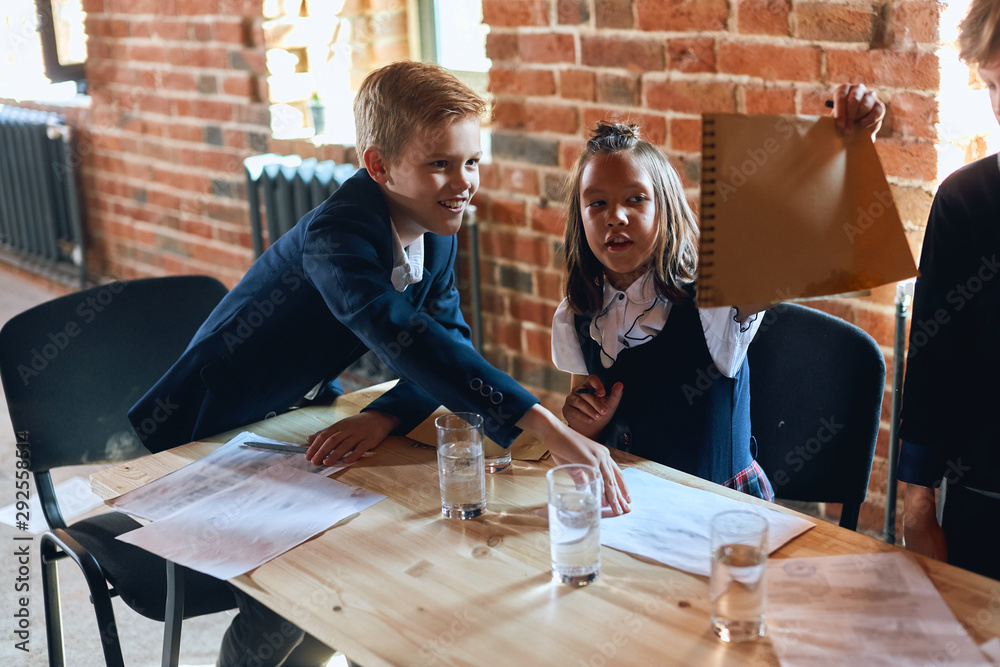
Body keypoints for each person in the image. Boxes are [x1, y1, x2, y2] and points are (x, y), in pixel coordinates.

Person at [128, 61, 629, 667]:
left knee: (365, 552)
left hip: (301, 409)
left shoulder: (437, 227)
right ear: (379, 166)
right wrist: (545, 424)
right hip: (211, 419)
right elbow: (403, 337)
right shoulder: (336, 236)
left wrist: (386, 417)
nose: (464, 182)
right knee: (285, 590)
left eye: (472, 161)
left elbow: (449, 338)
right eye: (440, 164)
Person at [551, 85, 886, 499]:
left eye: (636, 199)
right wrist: (585, 422)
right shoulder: (576, 313)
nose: (615, 216)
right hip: (632, 504)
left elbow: (811, 255)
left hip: (721, 512)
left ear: (666, 209)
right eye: (596, 203)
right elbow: (582, 418)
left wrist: (853, 147)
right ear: (579, 218)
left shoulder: (716, 300)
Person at [898, 0, 1000, 580]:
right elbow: (935, 360)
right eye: (991, 86)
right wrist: (917, 503)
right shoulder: (965, 204)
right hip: (984, 497)